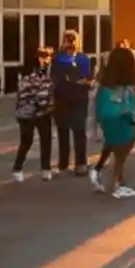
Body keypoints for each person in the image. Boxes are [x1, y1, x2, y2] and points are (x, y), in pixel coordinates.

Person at [93, 46, 135, 198]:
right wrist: (128, 112)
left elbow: (103, 107)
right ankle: (116, 183)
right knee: (122, 151)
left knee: (116, 147)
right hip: (121, 122)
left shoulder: (109, 83)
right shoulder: (119, 87)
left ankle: (109, 176)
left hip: (114, 122)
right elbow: (117, 107)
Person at [51, 29, 93, 177]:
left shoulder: (83, 59)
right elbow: (54, 79)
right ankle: (63, 163)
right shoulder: (58, 59)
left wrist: (86, 82)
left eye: (73, 40)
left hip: (79, 100)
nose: (71, 43)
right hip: (62, 99)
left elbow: (90, 79)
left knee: (79, 131)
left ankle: (80, 164)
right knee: (63, 132)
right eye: (68, 40)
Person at [11, 47, 54, 182]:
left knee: (27, 141)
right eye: (44, 58)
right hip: (37, 113)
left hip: (24, 114)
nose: (47, 61)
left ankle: (18, 168)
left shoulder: (23, 76)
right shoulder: (36, 77)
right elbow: (41, 96)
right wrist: (51, 106)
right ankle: (45, 169)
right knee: (41, 140)